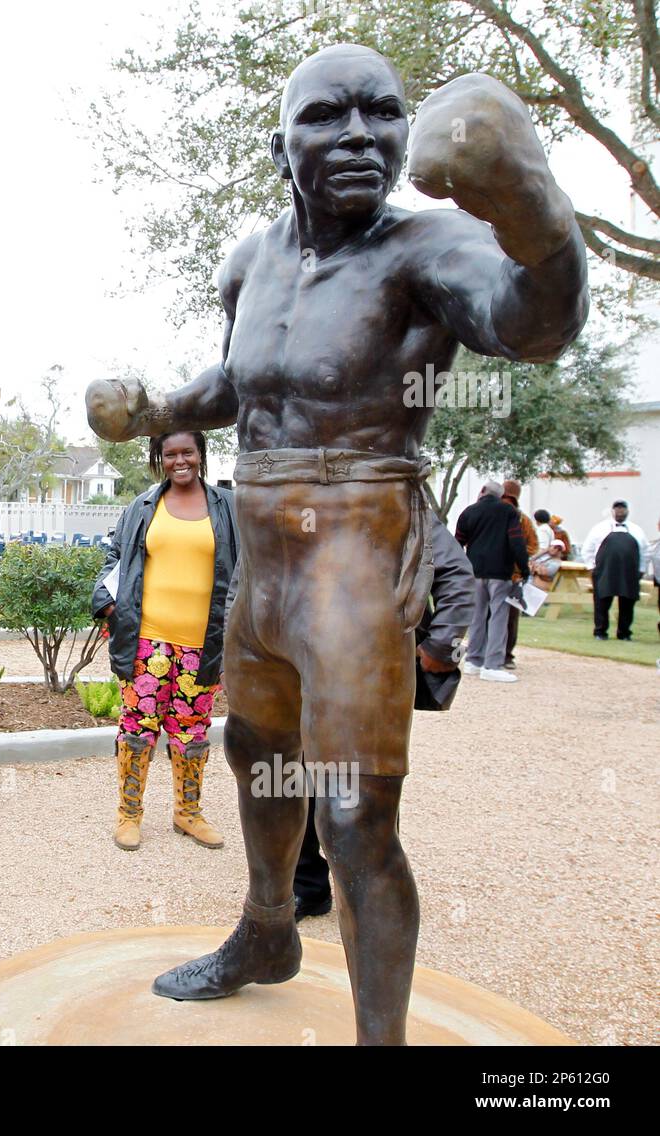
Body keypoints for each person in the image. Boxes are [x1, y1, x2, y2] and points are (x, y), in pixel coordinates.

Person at [86, 46, 587, 1043]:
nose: (360, 135)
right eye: (328, 116)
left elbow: (529, 322)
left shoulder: (427, 246)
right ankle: (268, 929)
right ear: (282, 146)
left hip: (357, 540)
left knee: (354, 810)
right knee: (253, 746)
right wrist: (163, 405)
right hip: (262, 544)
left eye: (382, 113)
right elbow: (241, 385)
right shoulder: (250, 260)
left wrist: (531, 204)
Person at [293, 511, 474, 920]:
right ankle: (307, 885)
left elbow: (456, 576)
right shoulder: (304, 502)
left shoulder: (396, 501)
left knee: (370, 785)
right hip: (306, 666)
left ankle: (370, 889)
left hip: (373, 674)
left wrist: (439, 648)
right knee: (297, 777)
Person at [92, 430, 238, 851]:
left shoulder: (228, 508)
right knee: (137, 728)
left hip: (203, 645)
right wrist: (108, 605)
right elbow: (115, 560)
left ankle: (187, 813)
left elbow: (246, 570)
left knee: (192, 731)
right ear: (160, 458)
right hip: (146, 641)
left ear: (200, 455)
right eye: (170, 454)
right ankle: (129, 814)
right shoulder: (142, 507)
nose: (180, 461)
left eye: (187, 452)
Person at [455, 482, 530, 682]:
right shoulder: (508, 512)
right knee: (498, 617)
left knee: (477, 617)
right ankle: (492, 664)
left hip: (474, 572)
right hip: (499, 573)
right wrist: (524, 568)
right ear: (501, 495)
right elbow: (517, 541)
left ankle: (473, 660)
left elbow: (457, 543)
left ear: (481, 492)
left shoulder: (469, 512)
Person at [581, 500, 648, 640]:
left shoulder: (637, 530)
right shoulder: (599, 528)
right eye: (617, 509)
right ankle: (600, 632)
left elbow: (644, 552)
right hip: (604, 572)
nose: (620, 512)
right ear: (612, 511)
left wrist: (642, 569)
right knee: (602, 603)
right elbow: (588, 548)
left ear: (627, 511)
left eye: (622, 509)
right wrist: (591, 567)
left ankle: (624, 633)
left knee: (627, 604)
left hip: (629, 572)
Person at [500, 479, 539, 670]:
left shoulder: (522, 520)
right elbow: (533, 546)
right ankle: (505, 655)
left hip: (496, 574)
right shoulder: (521, 519)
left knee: (489, 616)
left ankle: (488, 655)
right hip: (511, 576)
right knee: (509, 618)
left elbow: (532, 546)